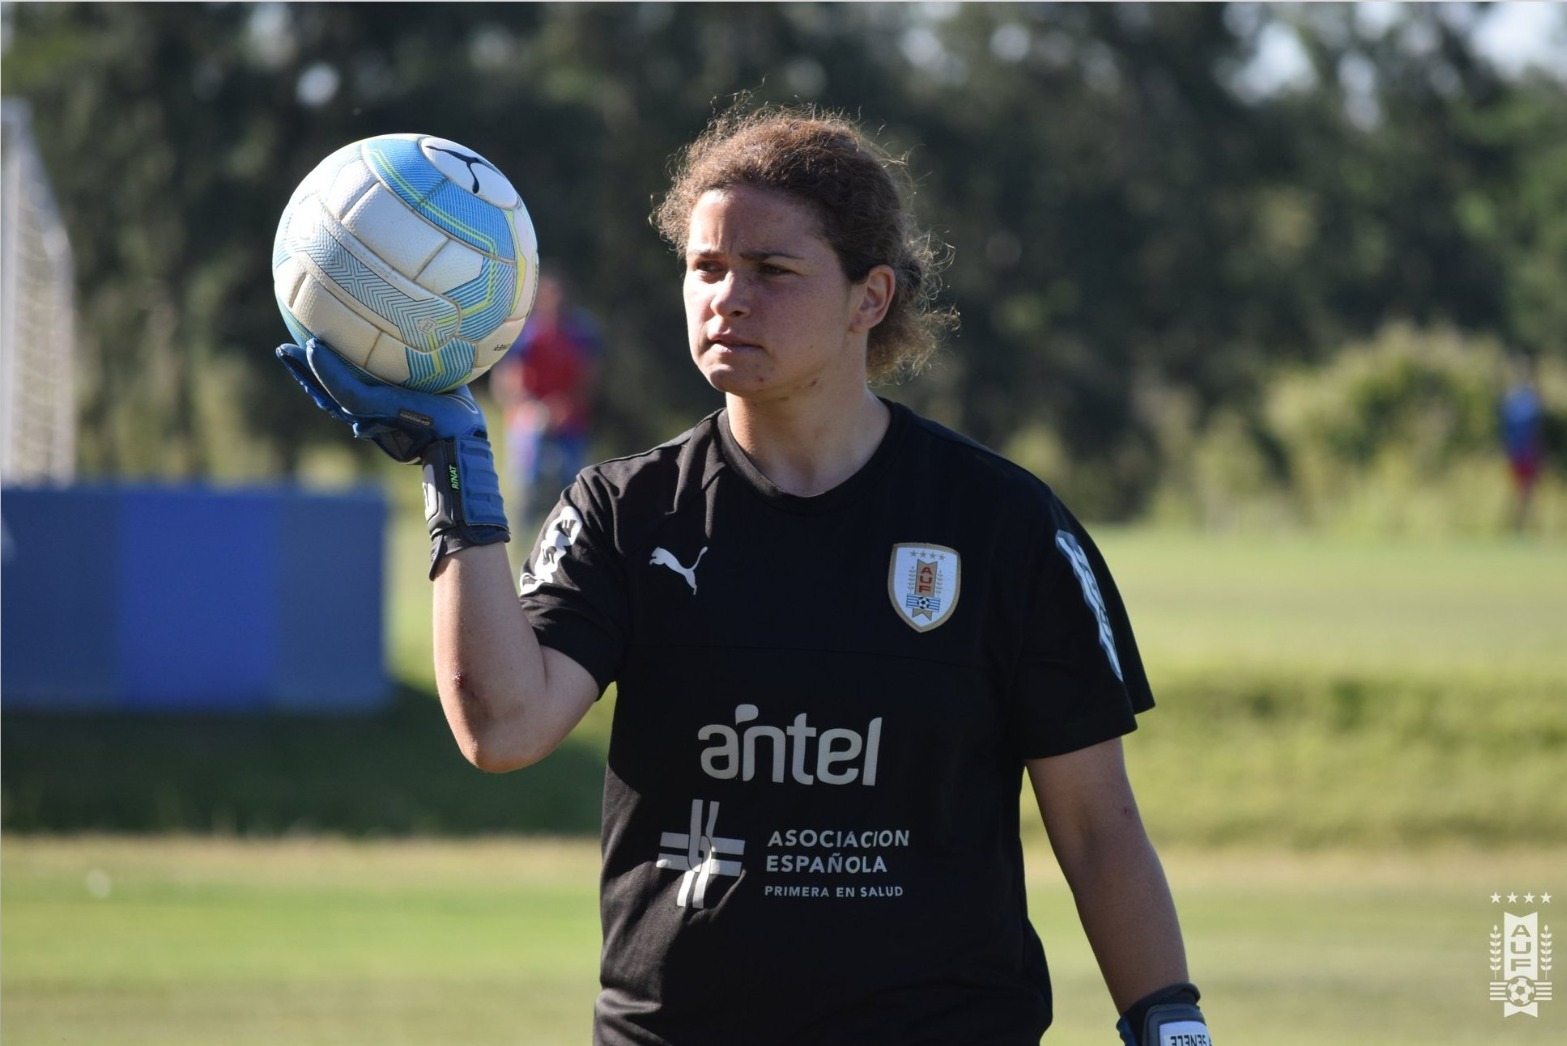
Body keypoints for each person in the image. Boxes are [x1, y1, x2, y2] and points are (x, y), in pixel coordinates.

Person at [278, 105, 1211, 1046]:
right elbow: (503, 727)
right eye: (706, 268)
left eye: (771, 271)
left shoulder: (1006, 527)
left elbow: (1096, 825)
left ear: (870, 297)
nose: (727, 297)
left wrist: (1168, 1022)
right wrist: (458, 473)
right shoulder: (624, 512)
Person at [491, 269, 603, 534]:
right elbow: (506, 382)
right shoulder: (525, 334)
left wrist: (566, 406)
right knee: (526, 487)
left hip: (570, 423)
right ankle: (518, 541)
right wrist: (530, 408)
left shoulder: (582, 334)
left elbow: (590, 380)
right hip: (529, 422)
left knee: (573, 487)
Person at [1500, 354, 1544, 533]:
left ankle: (1520, 525)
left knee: (1524, 491)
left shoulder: (1513, 400)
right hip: (1522, 452)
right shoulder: (1527, 401)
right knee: (1523, 491)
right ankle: (1519, 525)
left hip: (1522, 452)